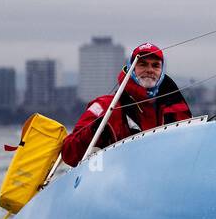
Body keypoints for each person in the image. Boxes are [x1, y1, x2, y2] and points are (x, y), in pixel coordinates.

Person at [60, 42, 192, 166]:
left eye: (155, 65)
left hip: (163, 179)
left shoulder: (175, 108)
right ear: (131, 69)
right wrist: (94, 130)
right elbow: (68, 153)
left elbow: (189, 150)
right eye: (143, 64)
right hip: (115, 180)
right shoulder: (104, 106)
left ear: (162, 72)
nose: (150, 70)